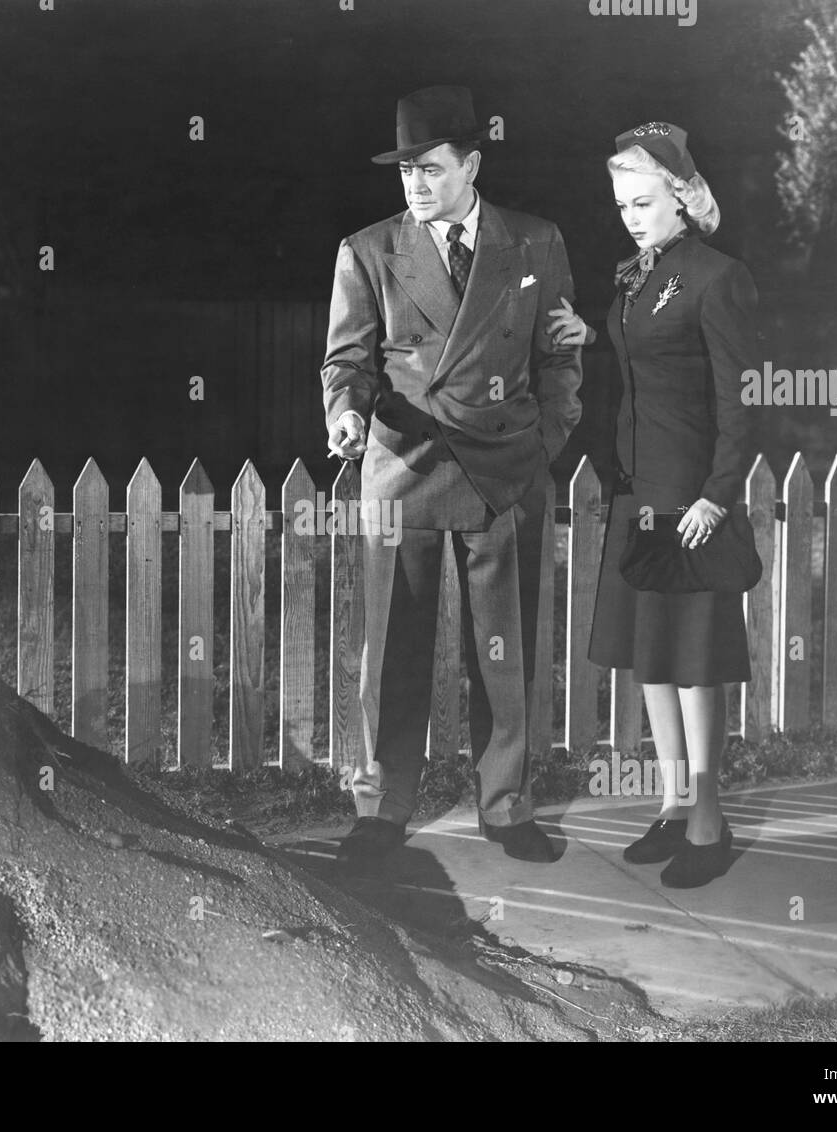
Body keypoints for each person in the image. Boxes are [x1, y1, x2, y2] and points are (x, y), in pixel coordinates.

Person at [321, 85, 583, 867]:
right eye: (405, 172)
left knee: (502, 653)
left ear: (470, 164)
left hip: (502, 472)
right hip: (404, 469)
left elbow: (561, 352)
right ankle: (380, 811)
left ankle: (505, 807)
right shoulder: (367, 251)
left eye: (430, 169)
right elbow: (347, 361)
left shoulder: (535, 244)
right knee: (393, 652)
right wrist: (345, 412)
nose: (416, 185)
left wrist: (548, 442)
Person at [549, 122, 757, 888]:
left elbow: (740, 401)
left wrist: (717, 496)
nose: (632, 216)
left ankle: (709, 821)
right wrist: (591, 337)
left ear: (680, 195)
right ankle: (672, 808)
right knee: (652, 663)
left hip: (690, 500)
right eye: (623, 204)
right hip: (638, 493)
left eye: (643, 202)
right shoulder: (639, 275)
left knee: (696, 665)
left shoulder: (717, 275)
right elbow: (650, 358)